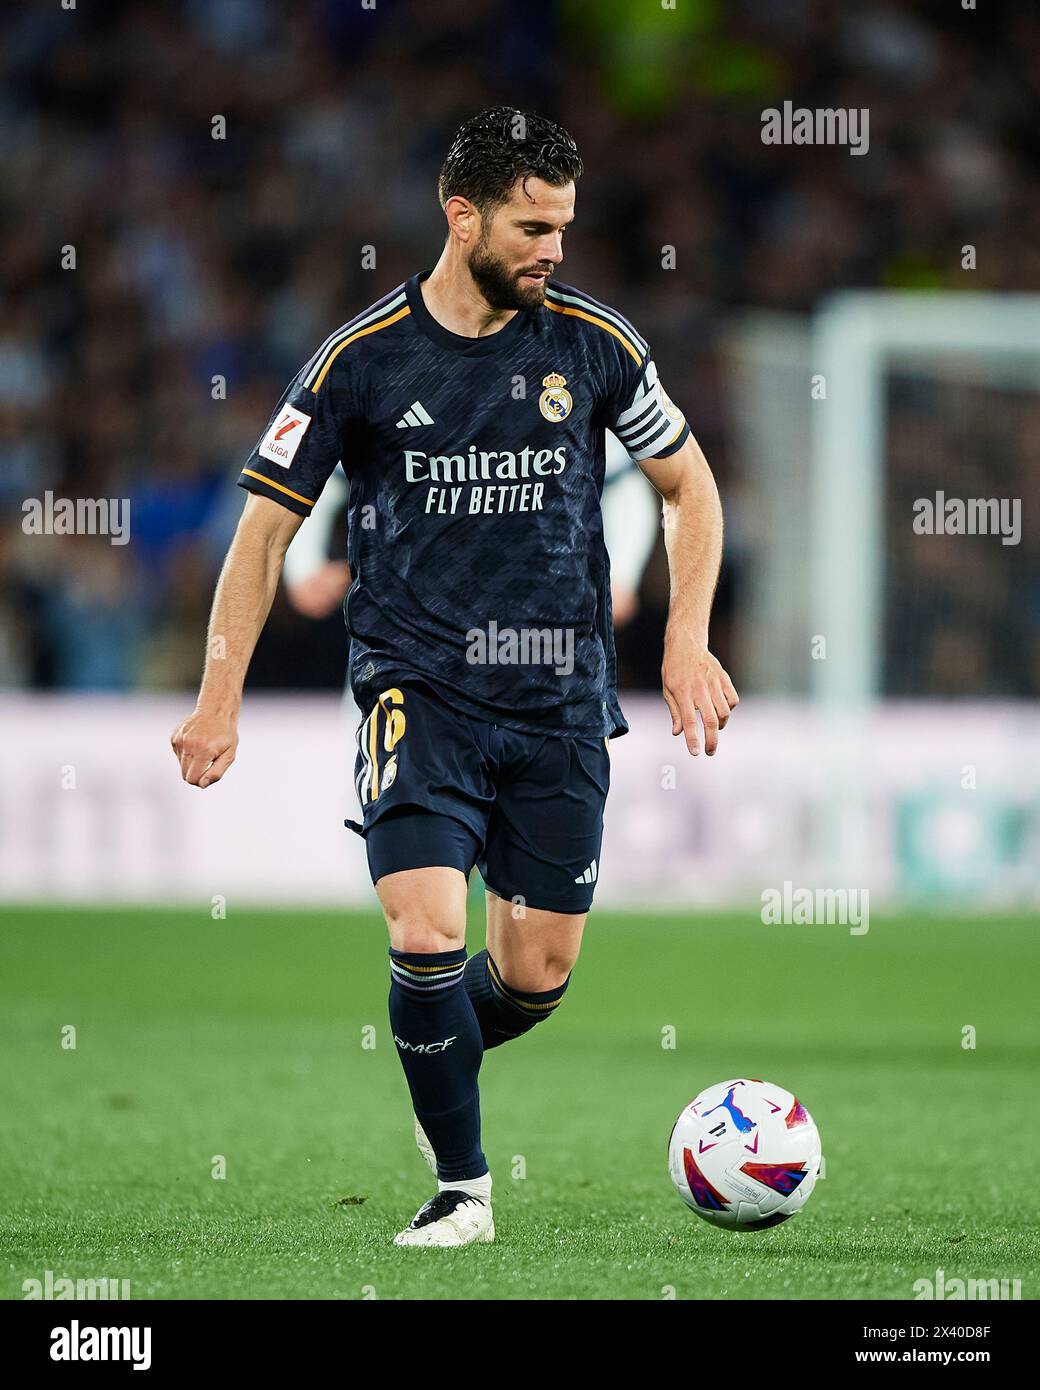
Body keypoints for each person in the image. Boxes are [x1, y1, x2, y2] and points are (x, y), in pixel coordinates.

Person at [171, 106, 737, 1248]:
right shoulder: (360, 359)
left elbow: (689, 488)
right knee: (425, 932)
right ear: (461, 215)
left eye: (565, 227)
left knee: (533, 974)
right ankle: (463, 1189)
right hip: (413, 685)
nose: (553, 249)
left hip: (562, 698)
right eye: (533, 225)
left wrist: (684, 637)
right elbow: (262, 535)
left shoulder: (593, 343)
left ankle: (430, 1055)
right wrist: (215, 697)